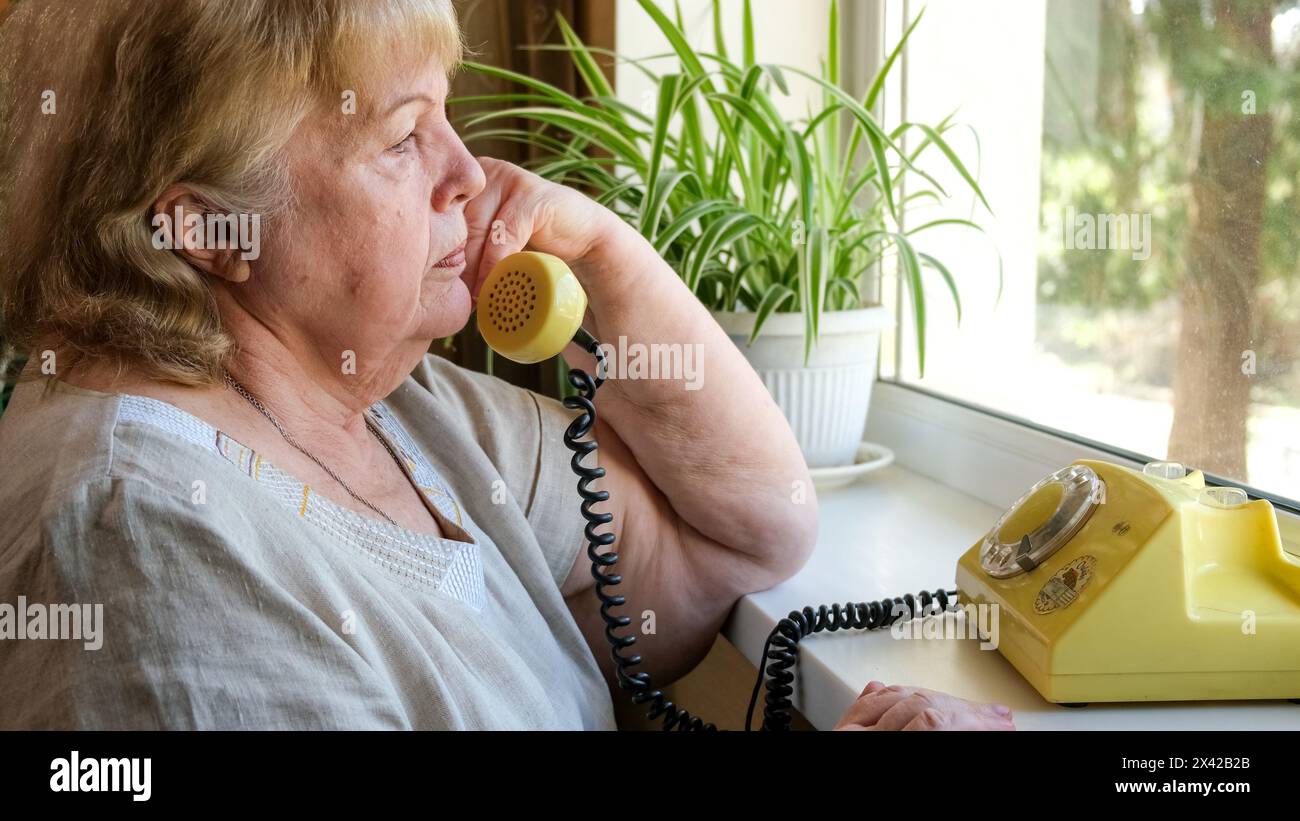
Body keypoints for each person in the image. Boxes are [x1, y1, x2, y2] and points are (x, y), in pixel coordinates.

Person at [0, 0, 1013, 731]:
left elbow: (749, 528)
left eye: (447, 114)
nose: (471, 176)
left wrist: (609, 252)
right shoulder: (149, 537)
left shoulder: (397, 408)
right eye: (403, 138)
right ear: (211, 225)